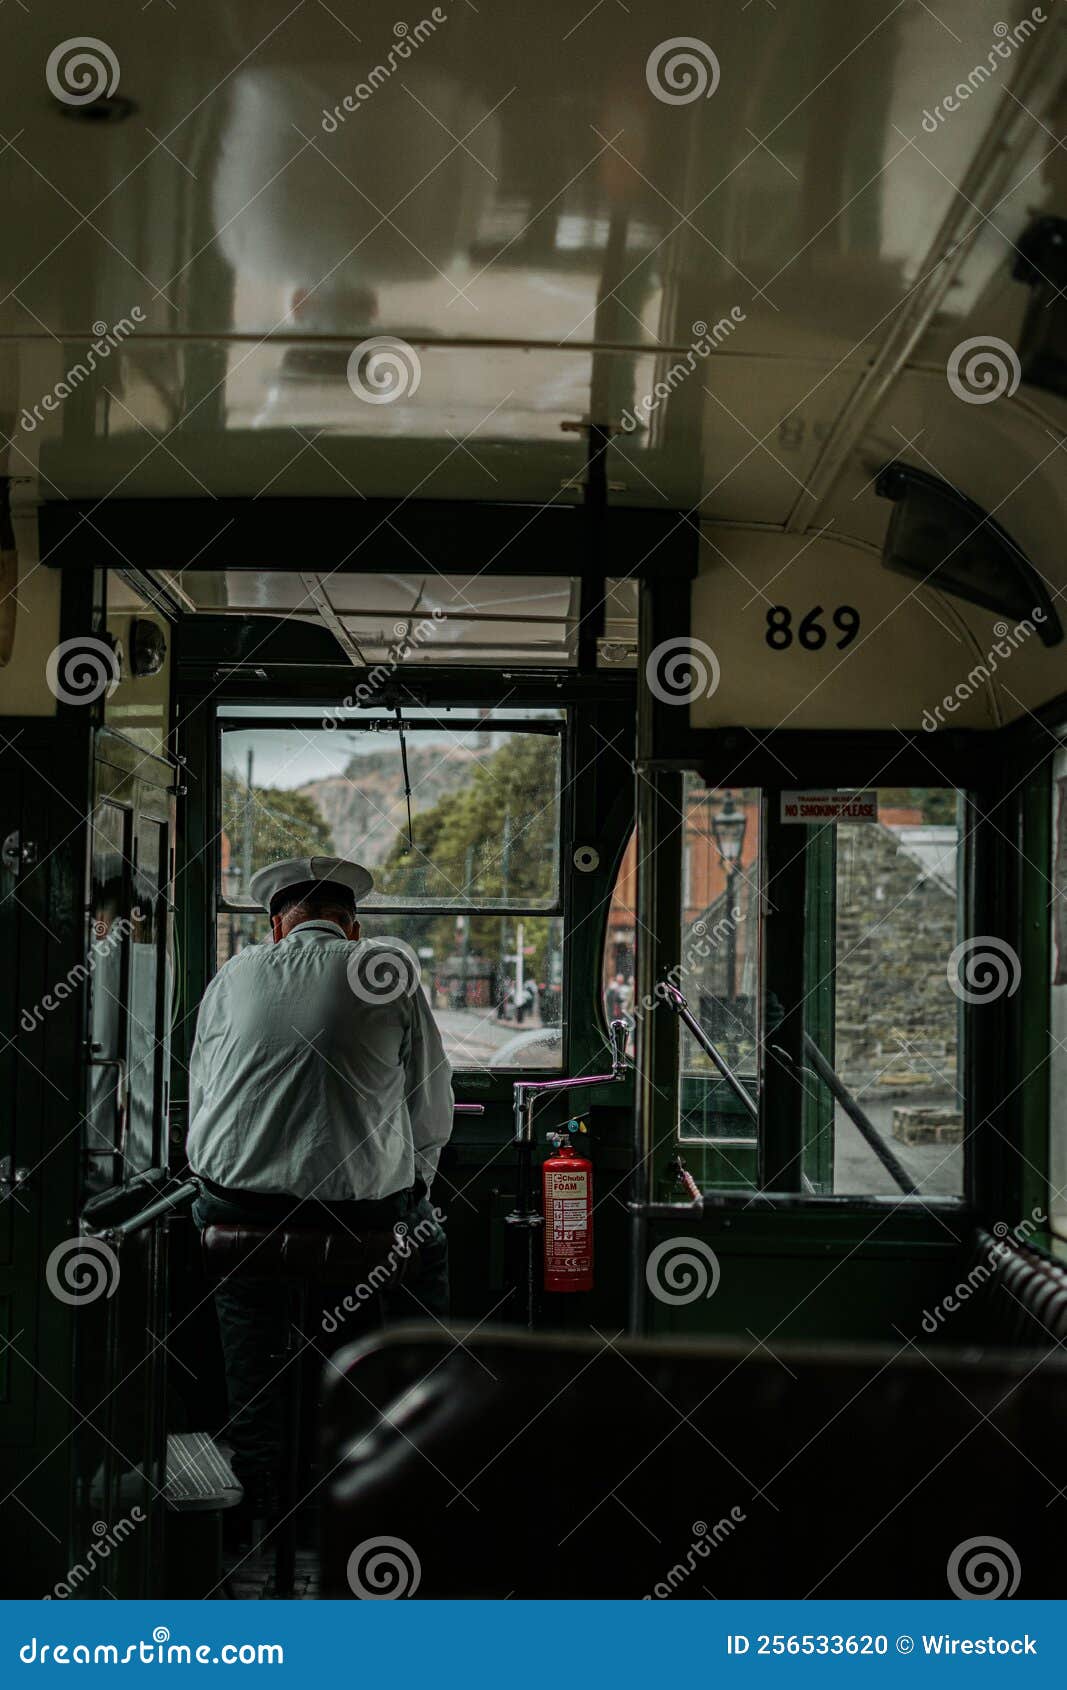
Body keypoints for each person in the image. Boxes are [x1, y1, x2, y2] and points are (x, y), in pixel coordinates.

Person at [186, 855, 454, 1522]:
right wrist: (413, 1189)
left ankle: (255, 1484)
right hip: (359, 1220)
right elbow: (430, 1103)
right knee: (424, 1249)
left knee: (249, 1321)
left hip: (235, 1207)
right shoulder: (385, 970)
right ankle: (379, 1463)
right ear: (351, 929)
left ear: (279, 927)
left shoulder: (236, 972)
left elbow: (202, 1083)